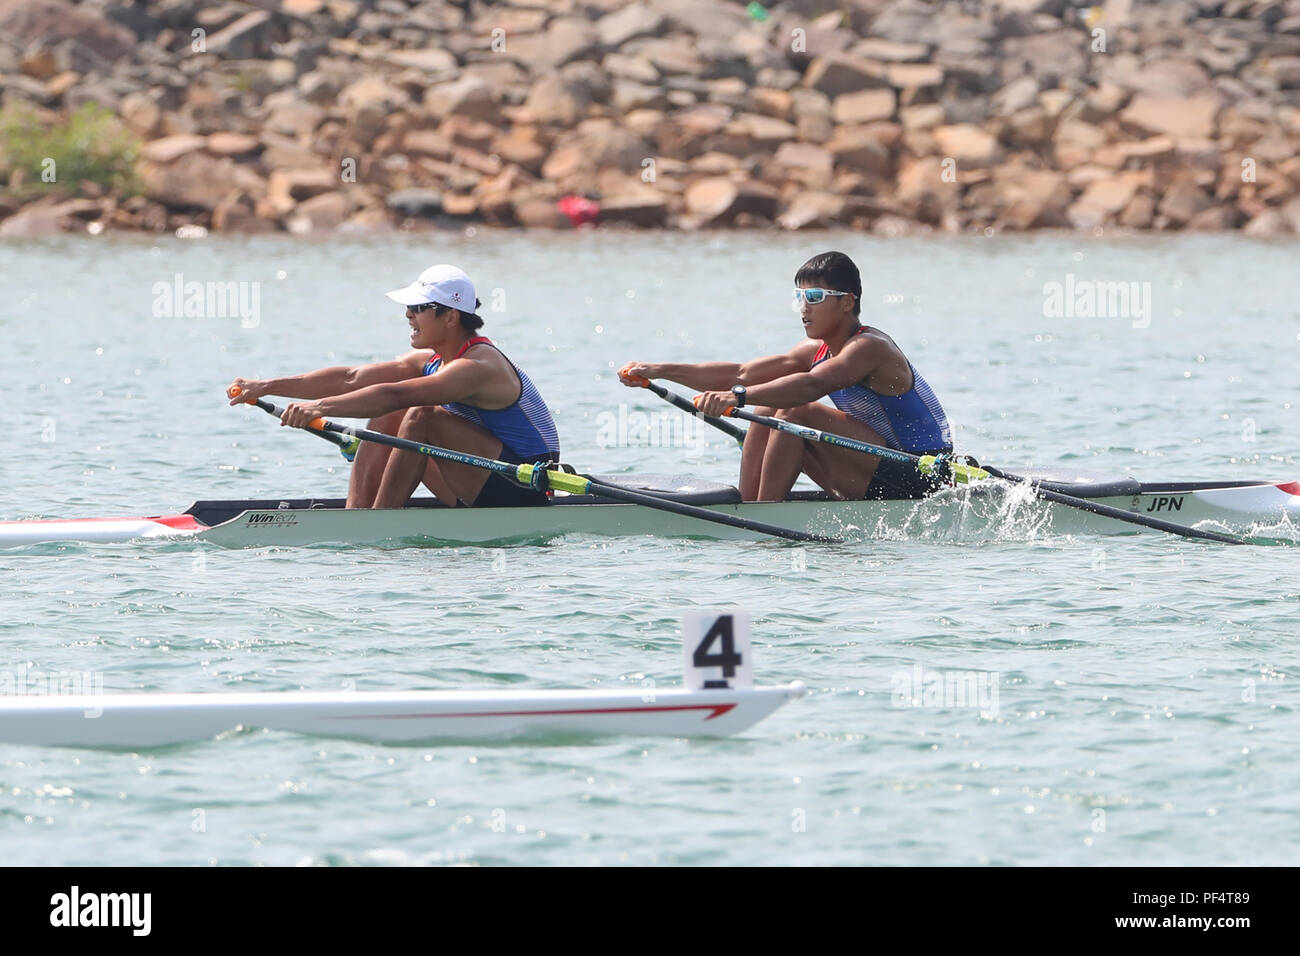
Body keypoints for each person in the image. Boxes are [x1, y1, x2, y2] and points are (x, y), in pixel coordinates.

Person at [619, 251, 951, 502]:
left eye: (815, 297)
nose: (804, 308)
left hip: (924, 475)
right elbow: (742, 372)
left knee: (794, 412)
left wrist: (737, 397)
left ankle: (764, 517)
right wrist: (659, 370)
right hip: (880, 472)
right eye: (799, 297)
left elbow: (813, 385)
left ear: (848, 302)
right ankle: (749, 507)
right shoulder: (815, 350)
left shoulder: (869, 347)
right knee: (765, 411)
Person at [227, 264, 559, 509]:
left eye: (418, 308)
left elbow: (396, 394)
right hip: (482, 481)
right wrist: (265, 386)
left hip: (524, 488)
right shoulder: (432, 359)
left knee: (419, 415)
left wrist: (319, 408)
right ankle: (357, 515)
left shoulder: (478, 366)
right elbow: (350, 378)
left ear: (451, 317)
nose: (408, 316)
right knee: (396, 414)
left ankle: (380, 521)